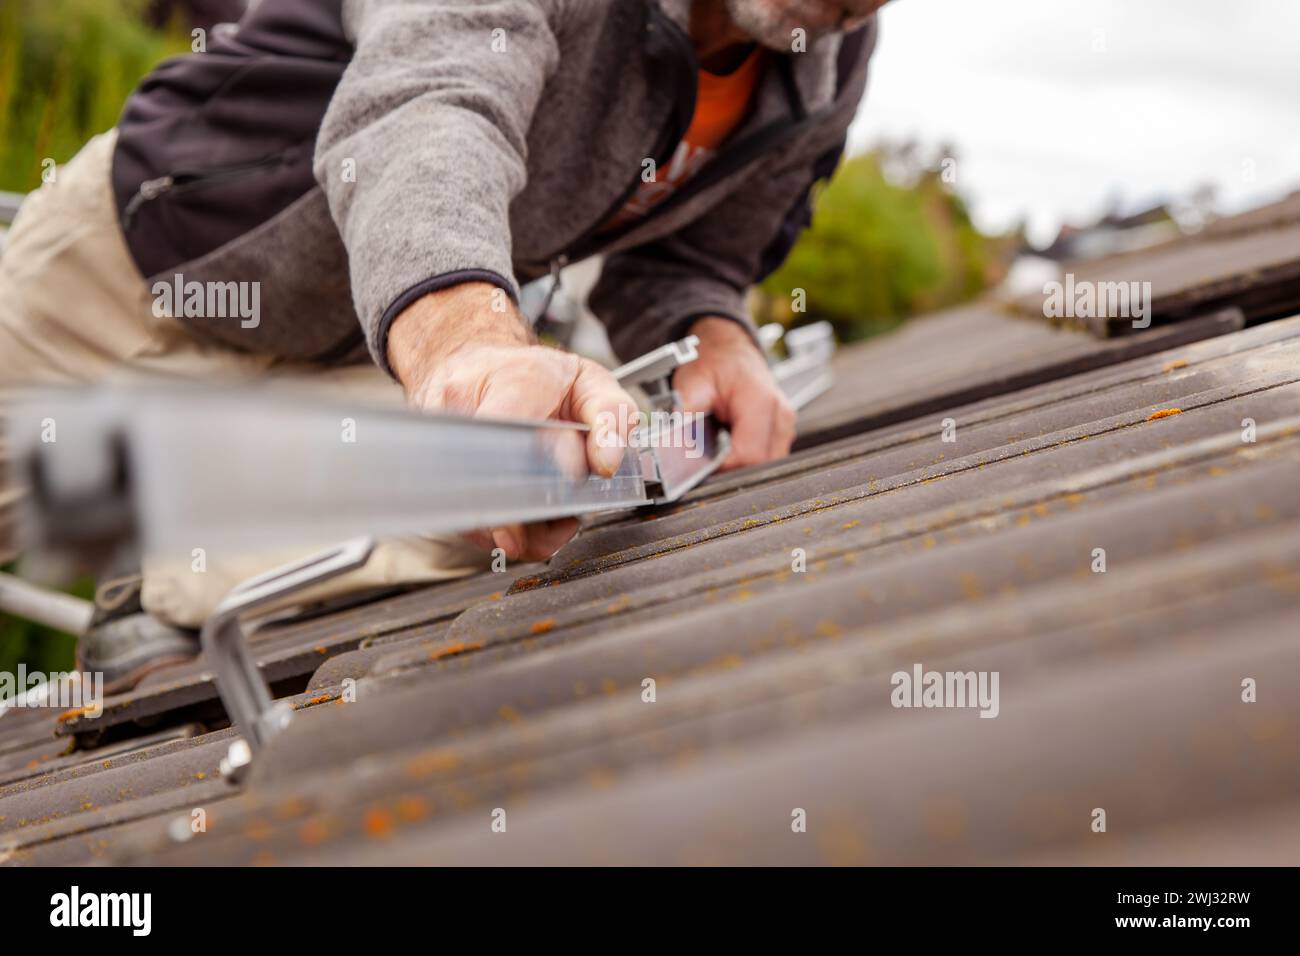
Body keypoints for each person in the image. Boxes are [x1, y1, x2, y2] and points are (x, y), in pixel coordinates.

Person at [0, 0, 882, 690]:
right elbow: (426, 105)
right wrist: (465, 343)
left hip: (362, 347)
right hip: (136, 266)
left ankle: (156, 574)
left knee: (551, 480)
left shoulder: (830, 69)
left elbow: (691, 258)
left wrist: (714, 334)